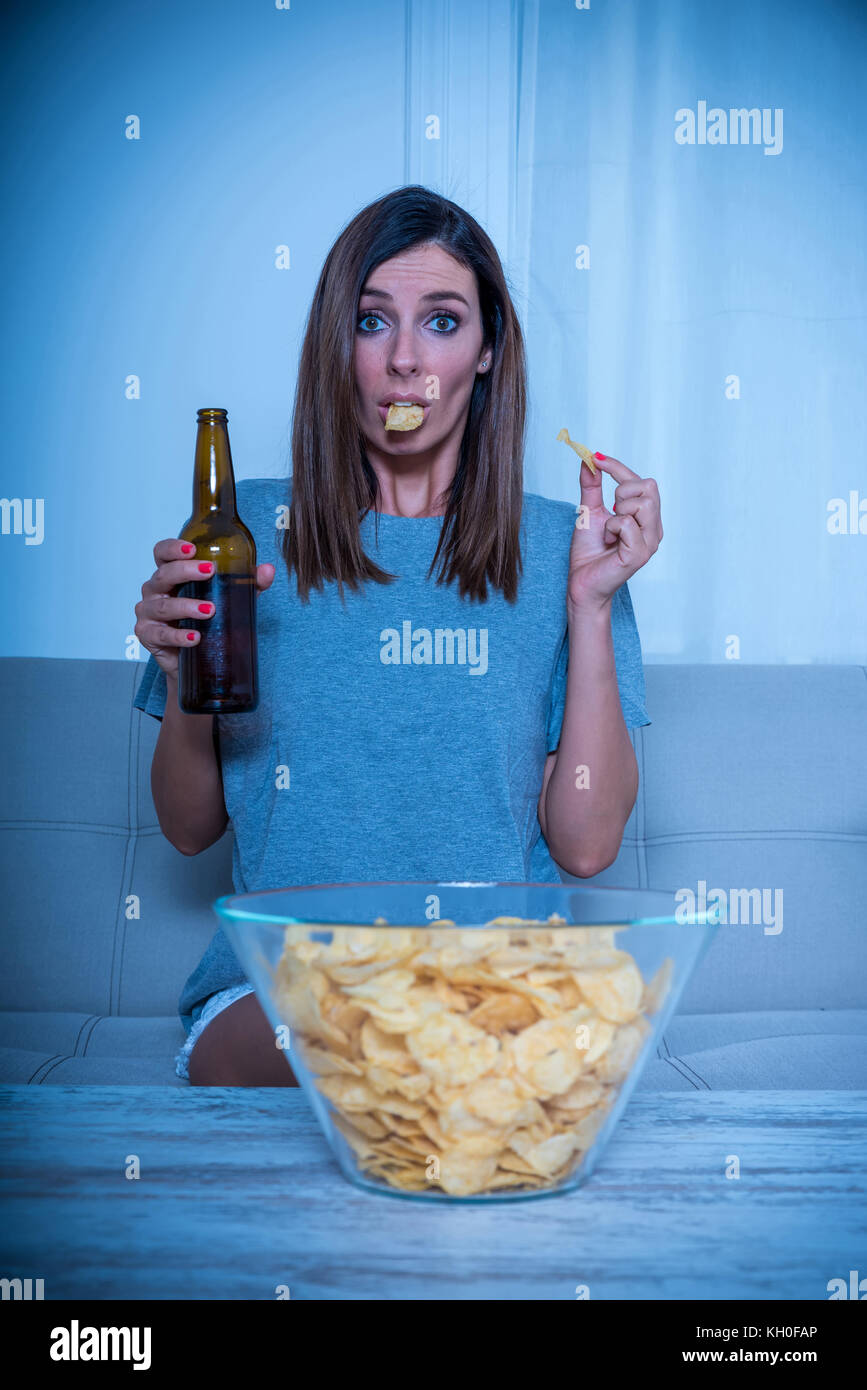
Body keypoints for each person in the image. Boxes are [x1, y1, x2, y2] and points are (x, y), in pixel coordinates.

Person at [133, 184, 662, 1087]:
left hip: (494, 990)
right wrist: (182, 671)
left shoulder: (558, 550)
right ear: (337, 349)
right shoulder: (246, 532)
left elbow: (584, 847)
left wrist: (588, 608)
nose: (406, 360)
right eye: (372, 323)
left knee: (479, 1047)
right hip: (286, 1003)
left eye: (444, 323)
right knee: (374, 1046)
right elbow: (187, 831)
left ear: (488, 350)